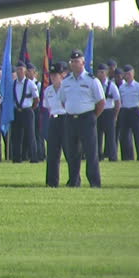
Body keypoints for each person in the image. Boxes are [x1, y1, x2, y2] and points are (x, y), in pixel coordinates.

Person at [58, 49, 104, 187]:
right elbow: (63, 100)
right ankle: (74, 181)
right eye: (72, 61)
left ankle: (94, 182)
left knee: (91, 153)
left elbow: (101, 102)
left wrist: (92, 116)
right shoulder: (66, 82)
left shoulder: (91, 80)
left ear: (83, 62)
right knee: (72, 153)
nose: (74, 64)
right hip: (71, 119)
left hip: (87, 118)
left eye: (77, 61)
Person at [10, 61, 39, 163]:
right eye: (17, 69)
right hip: (17, 112)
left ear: (25, 71)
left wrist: (31, 108)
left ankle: (33, 157)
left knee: (30, 135)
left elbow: (36, 99)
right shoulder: (13, 84)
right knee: (16, 136)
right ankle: (17, 158)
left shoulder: (30, 84)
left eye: (21, 69)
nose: (19, 72)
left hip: (27, 111)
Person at [44, 62, 67, 187]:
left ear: (63, 75)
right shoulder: (48, 90)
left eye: (55, 75)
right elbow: (48, 107)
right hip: (53, 119)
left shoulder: (67, 89)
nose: (53, 77)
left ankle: (74, 180)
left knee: (69, 151)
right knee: (52, 152)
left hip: (65, 119)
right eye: (51, 75)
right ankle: (52, 181)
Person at [118, 65, 139, 161]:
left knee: (138, 136)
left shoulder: (138, 86)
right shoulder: (122, 87)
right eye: (126, 74)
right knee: (124, 136)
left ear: (133, 74)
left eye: (129, 73)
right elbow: (120, 100)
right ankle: (127, 157)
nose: (127, 75)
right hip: (125, 111)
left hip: (135, 110)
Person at [95, 64, 120, 162]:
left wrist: (115, 115)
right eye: (99, 72)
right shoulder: (95, 85)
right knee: (97, 135)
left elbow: (118, 101)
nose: (100, 74)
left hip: (109, 112)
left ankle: (112, 156)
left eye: (102, 72)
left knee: (110, 136)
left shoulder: (111, 85)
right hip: (98, 111)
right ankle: (98, 155)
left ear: (106, 73)